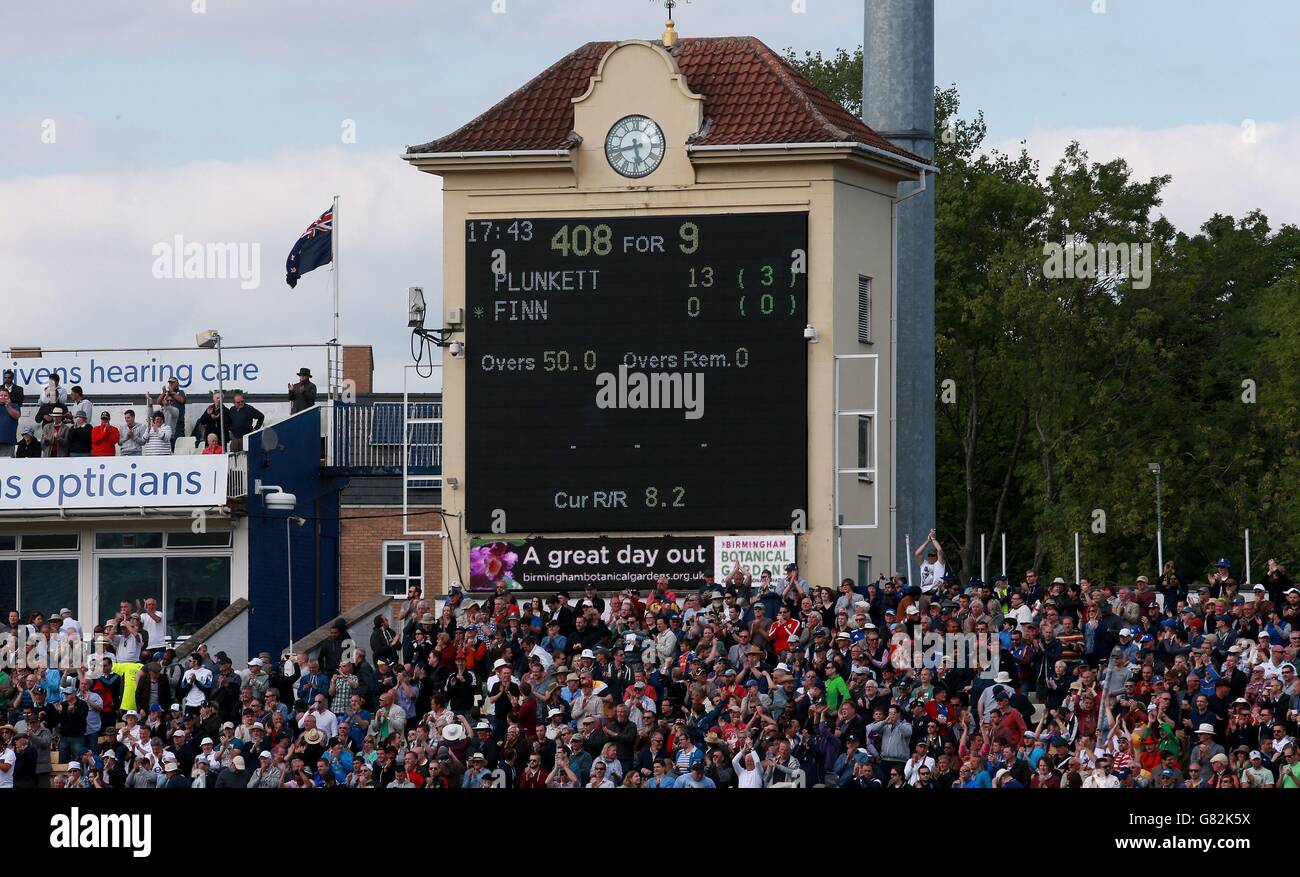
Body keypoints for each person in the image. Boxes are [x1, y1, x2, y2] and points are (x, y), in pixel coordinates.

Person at [0, 388, 20, 458]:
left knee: (7, 465)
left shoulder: (14, 406)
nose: (3, 397)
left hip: (8, 442)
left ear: (9, 396)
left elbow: (16, 416)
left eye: (5, 395)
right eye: (1, 395)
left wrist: (8, 406)